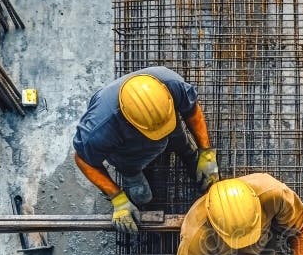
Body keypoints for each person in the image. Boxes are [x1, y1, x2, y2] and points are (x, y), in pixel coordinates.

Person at [73, 66, 220, 234]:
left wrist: (206, 152)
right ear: (129, 120)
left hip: (168, 124)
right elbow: (83, 160)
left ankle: (188, 154)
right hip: (128, 152)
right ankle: (132, 174)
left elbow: (192, 110)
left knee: (179, 138)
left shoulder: (171, 83)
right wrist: (117, 197)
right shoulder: (100, 128)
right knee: (141, 192)